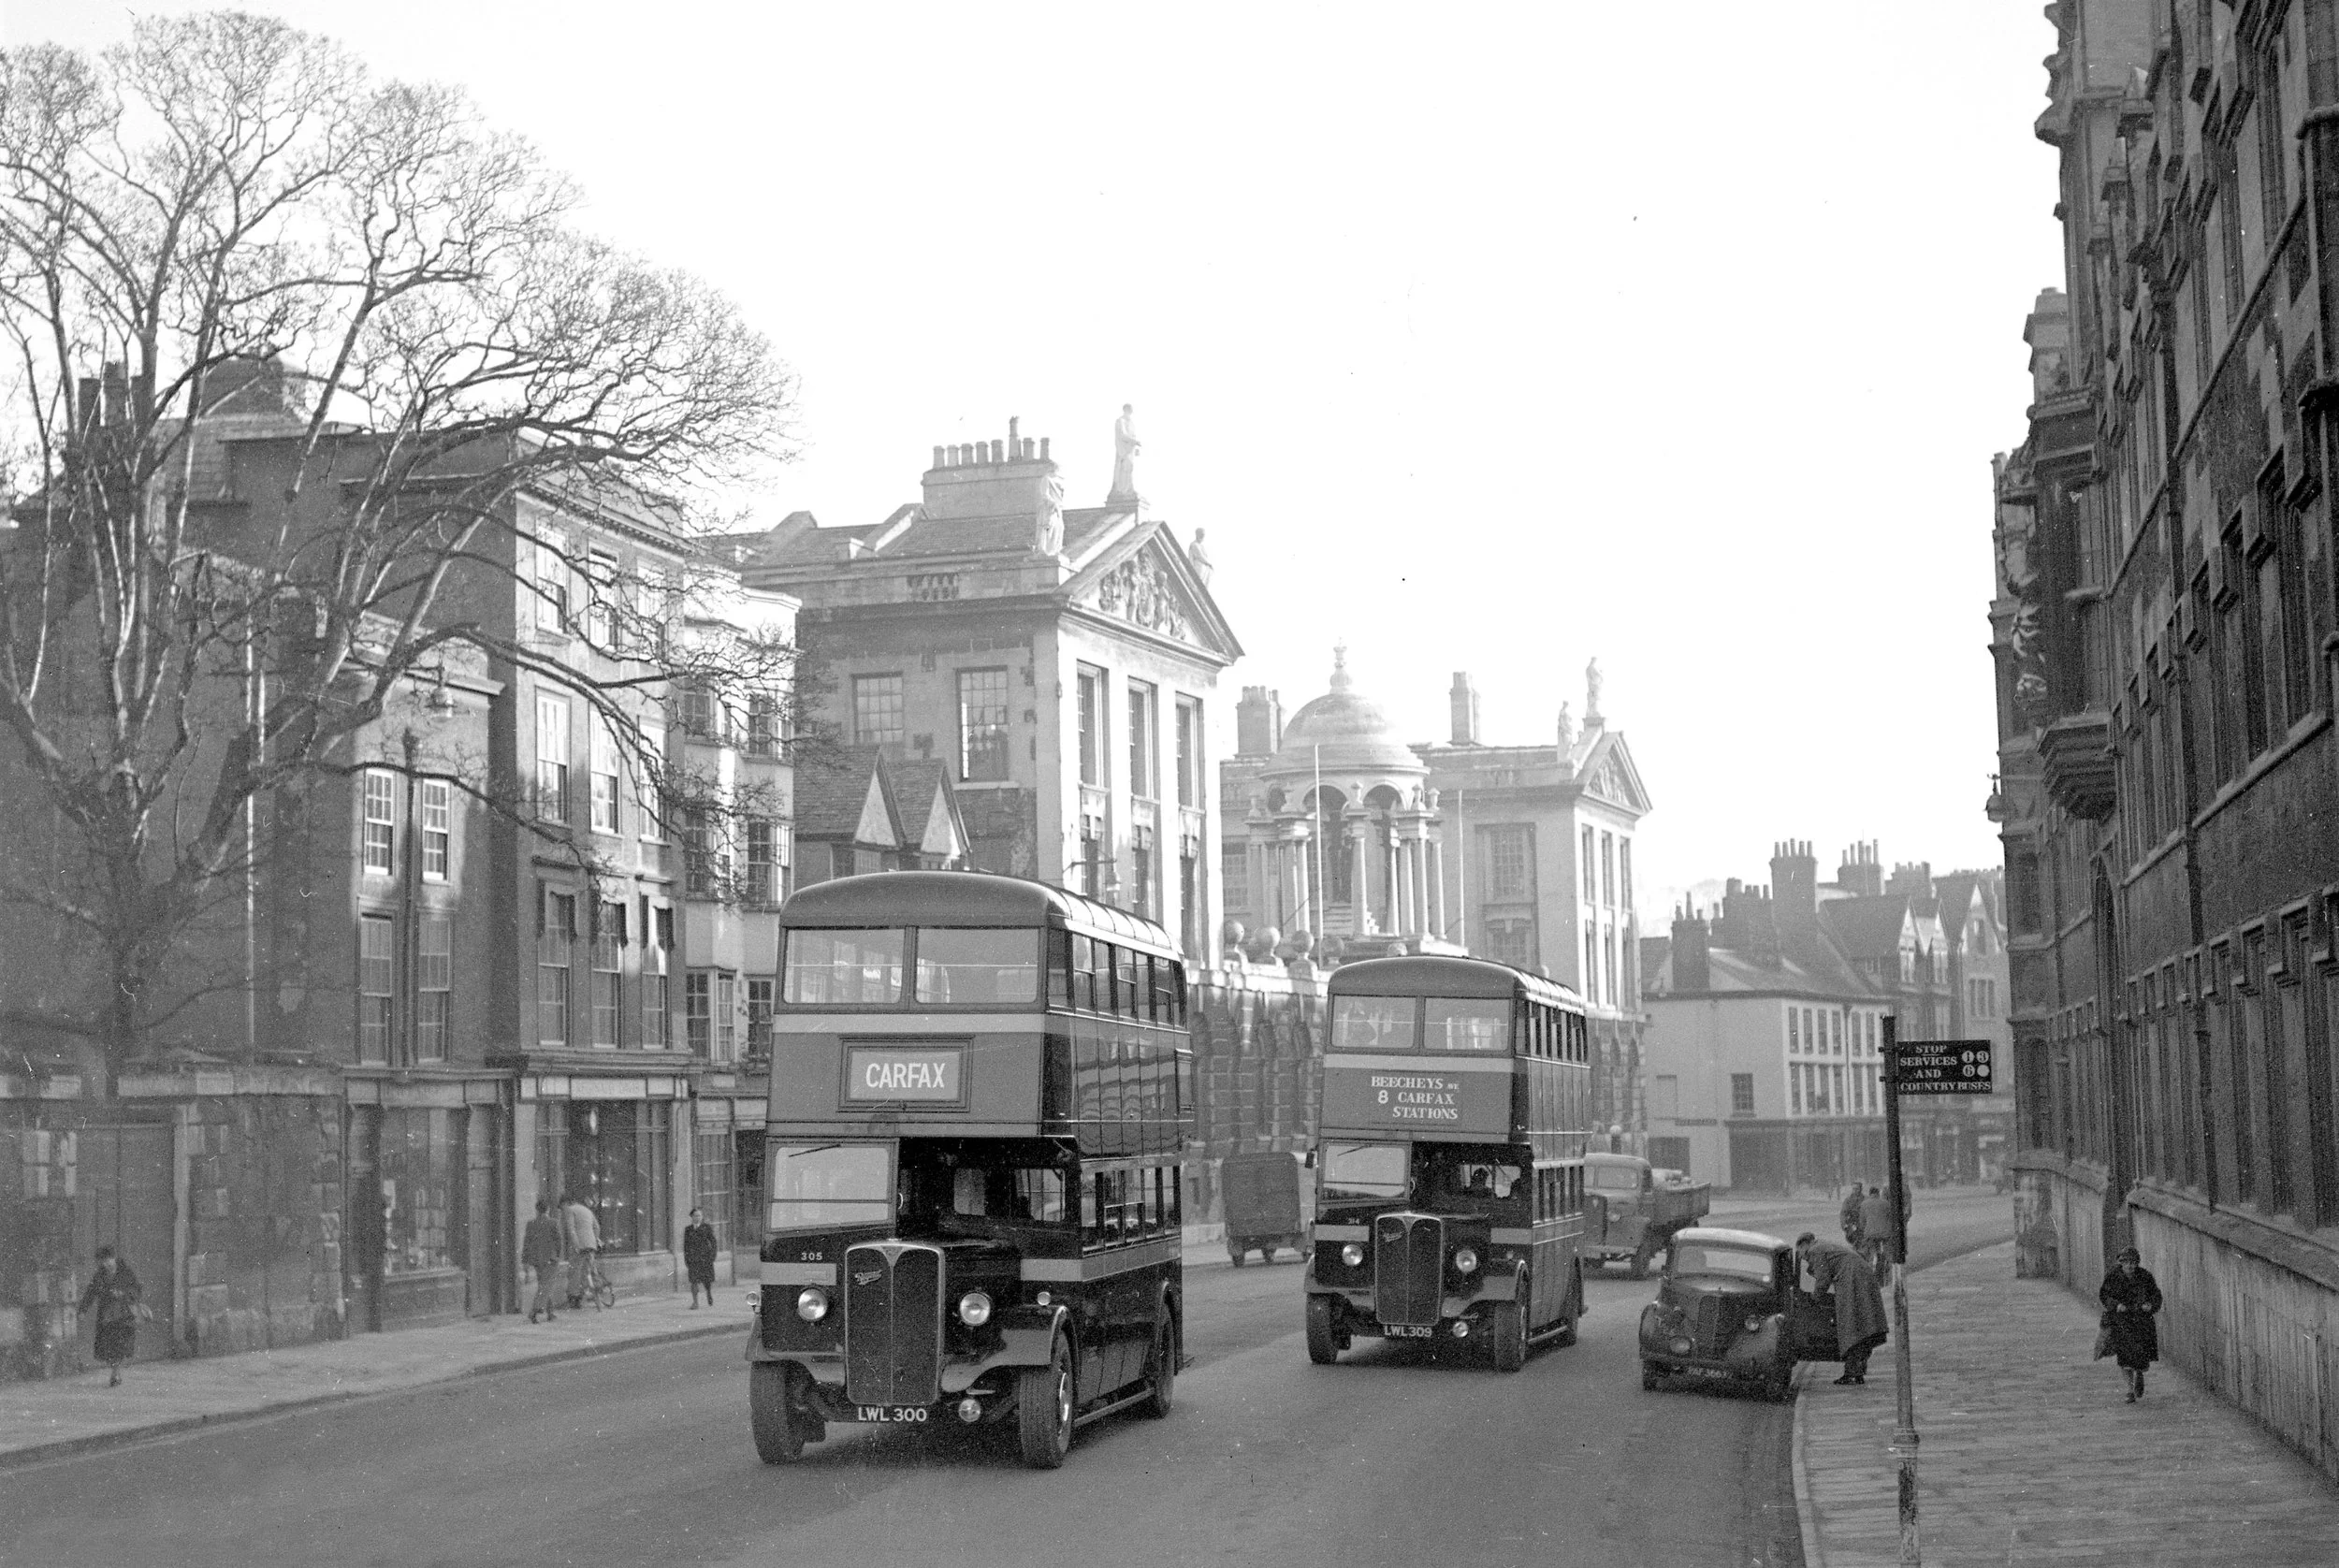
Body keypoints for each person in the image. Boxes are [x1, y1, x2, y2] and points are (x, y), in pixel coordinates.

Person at [1795, 1231, 1890, 1386]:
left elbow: (1823, 1279)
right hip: (1860, 1278)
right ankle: (1855, 1371)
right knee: (1862, 1326)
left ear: (1804, 1245)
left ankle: (1853, 1373)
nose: (1801, 1257)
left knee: (1851, 1326)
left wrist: (1814, 1299)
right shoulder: (1823, 1245)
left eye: (1800, 1252)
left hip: (1853, 1281)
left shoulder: (1815, 1250)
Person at [2099, 1245, 2163, 1402]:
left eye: (2133, 1263)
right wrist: (2116, 1305)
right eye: (2126, 1263)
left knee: (2140, 1354)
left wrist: (2150, 1305)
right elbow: (2104, 1295)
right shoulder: (2113, 1277)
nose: (2130, 1266)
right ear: (2121, 1263)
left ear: (2137, 1263)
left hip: (2141, 1321)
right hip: (2121, 1322)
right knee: (2124, 1356)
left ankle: (2139, 1374)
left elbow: (2156, 1295)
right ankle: (2129, 1389)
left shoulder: (2145, 1277)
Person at [78, 1245, 143, 1387]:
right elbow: (91, 1292)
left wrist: (123, 1294)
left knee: (119, 1345)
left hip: (123, 1314)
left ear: (114, 1258)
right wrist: (83, 1310)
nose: (105, 1264)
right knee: (107, 1347)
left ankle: (116, 1372)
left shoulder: (125, 1272)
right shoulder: (100, 1275)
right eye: (102, 1261)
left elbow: (137, 1289)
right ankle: (115, 1370)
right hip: (106, 1315)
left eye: (108, 1260)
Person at [522, 1198, 565, 1323]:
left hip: (536, 1260)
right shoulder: (553, 1223)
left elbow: (526, 1242)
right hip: (550, 1259)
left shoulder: (531, 1224)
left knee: (544, 1285)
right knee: (546, 1286)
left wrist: (525, 1260)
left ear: (537, 1209)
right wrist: (558, 1255)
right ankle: (535, 1310)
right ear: (548, 1209)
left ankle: (550, 1312)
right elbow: (559, 1241)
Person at [560, 1193, 602, 1308]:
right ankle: (591, 1290)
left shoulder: (570, 1210)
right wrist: (595, 1239)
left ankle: (574, 1299)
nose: (562, 1210)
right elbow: (597, 1227)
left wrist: (576, 1245)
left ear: (566, 1203)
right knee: (587, 1270)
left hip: (580, 1246)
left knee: (574, 1271)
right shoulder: (587, 1210)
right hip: (591, 1245)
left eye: (562, 1206)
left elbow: (571, 1229)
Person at [683, 1207, 719, 1309]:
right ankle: (695, 1302)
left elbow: (713, 1242)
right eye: (695, 1216)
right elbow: (686, 1245)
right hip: (693, 1260)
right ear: (691, 1217)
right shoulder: (688, 1230)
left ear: (702, 1217)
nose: (697, 1218)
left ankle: (709, 1293)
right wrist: (687, 1259)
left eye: (699, 1216)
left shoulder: (706, 1228)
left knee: (706, 1280)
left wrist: (712, 1256)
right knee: (693, 1281)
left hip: (705, 1259)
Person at [1857, 1184, 1897, 1270]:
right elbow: (1890, 1218)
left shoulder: (1864, 1204)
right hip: (1885, 1233)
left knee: (1871, 1248)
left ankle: (1873, 1261)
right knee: (1887, 1248)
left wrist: (1865, 1229)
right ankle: (1888, 1263)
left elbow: (1862, 1221)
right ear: (1878, 1193)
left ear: (1870, 1194)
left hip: (1870, 1233)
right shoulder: (1886, 1203)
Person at [1838, 1183, 1867, 1248]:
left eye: (1857, 1189)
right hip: (1852, 1224)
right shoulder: (1848, 1200)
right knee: (1853, 1241)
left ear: (1860, 1189)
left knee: (1864, 1244)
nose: (1855, 1191)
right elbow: (1843, 1213)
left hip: (1863, 1224)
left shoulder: (1865, 1199)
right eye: (1853, 1189)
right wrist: (1844, 1225)